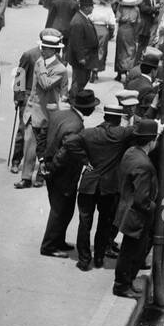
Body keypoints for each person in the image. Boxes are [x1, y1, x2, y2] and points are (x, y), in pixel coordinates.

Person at [65, 99, 133, 270]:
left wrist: (85, 161)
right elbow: (139, 130)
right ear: (118, 119)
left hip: (89, 184)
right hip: (109, 187)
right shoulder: (121, 134)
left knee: (84, 222)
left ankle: (84, 259)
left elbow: (69, 142)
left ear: (105, 116)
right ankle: (100, 257)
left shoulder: (89, 133)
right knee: (104, 223)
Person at [40, 90, 97, 257]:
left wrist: (42, 159)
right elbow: (65, 152)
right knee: (60, 210)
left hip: (52, 167)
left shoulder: (59, 114)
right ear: (86, 108)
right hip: (62, 174)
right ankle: (49, 246)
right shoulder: (76, 126)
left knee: (64, 208)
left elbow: (43, 134)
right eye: (92, 106)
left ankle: (58, 240)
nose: (93, 109)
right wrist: (53, 168)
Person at [15, 29, 71, 189]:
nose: (42, 49)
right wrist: (17, 95)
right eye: (42, 45)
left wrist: (40, 67)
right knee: (26, 141)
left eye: (46, 47)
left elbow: (49, 85)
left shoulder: (59, 66)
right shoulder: (29, 55)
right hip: (28, 101)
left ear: (54, 48)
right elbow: (20, 73)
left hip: (47, 112)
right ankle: (21, 170)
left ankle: (40, 175)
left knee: (44, 146)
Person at [112, 119, 161, 298]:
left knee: (129, 250)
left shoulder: (131, 153)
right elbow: (143, 198)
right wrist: (153, 207)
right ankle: (122, 285)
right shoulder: (145, 165)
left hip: (126, 208)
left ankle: (125, 283)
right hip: (137, 215)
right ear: (151, 142)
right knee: (132, 252)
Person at [66, 0, 101, 94]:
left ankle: (75, 97)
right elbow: (76, 42)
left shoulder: (84, 18)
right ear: (86, 7)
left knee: (83, 79)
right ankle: (73, 98)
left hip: (87, 56)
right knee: (79, 81)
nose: (93, 8)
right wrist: (81, 58)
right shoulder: (78, 21)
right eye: (91, 6)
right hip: (82, 58)